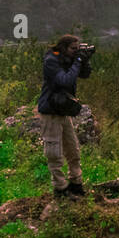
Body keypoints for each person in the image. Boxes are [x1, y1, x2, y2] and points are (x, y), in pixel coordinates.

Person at [37, 34, 92, 197]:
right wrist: (78, 61)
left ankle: (76, 183)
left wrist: (85, 60)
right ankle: (60, 188)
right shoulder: (51, 61)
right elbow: (65, 81)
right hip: (51, 111)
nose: (76, 52)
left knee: (73, 149)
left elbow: (85, 74)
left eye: (78, 49)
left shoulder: (69, 59)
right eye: (73, 49)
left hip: (63, 110)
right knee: (54, 152)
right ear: (63, 48)